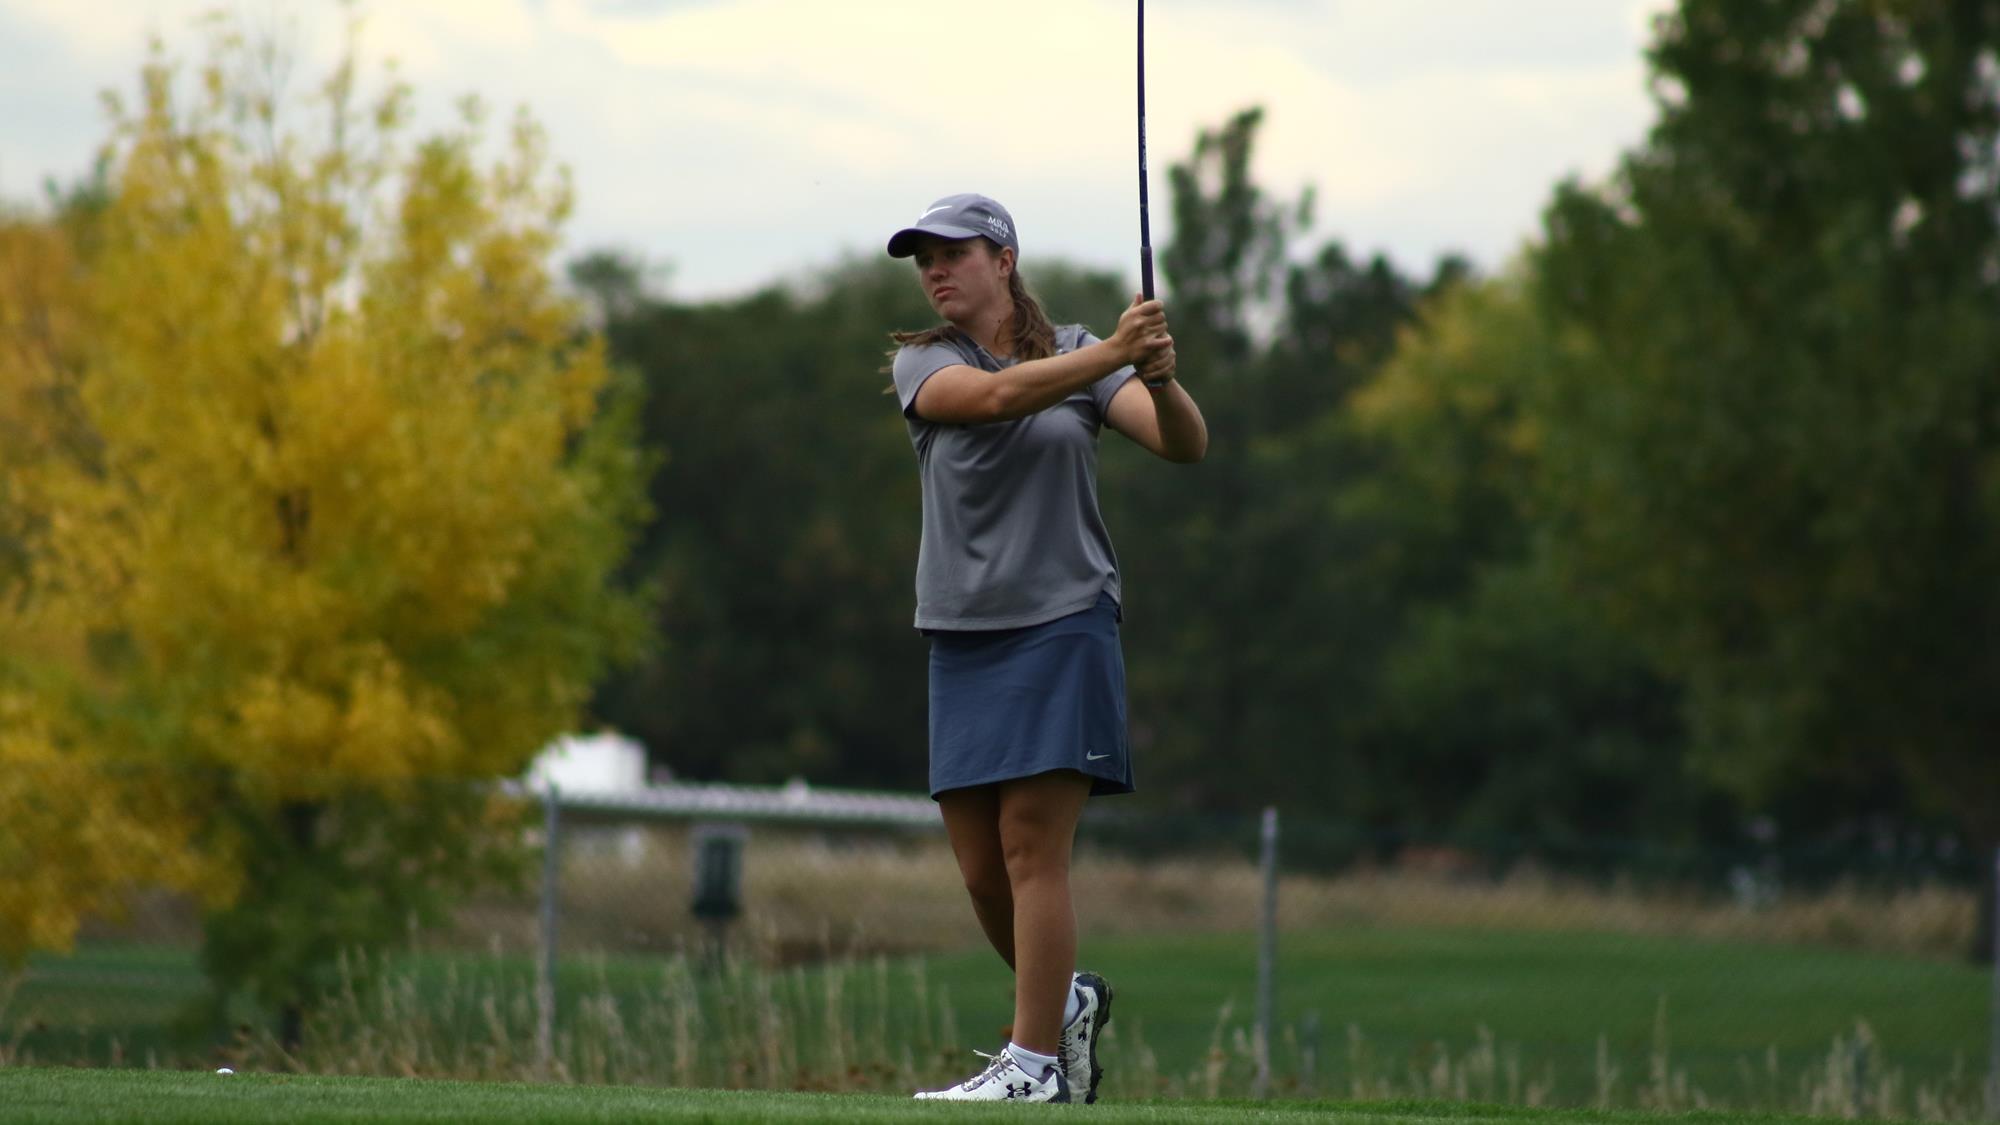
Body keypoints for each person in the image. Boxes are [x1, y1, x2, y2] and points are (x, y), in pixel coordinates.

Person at [883, 193, 1207, 1104]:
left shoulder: (1078, 355)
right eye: (925, 259)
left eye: (954, 253)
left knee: (1032, 849)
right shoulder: (925, 361)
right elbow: (988, 399)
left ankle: (1032, 1067)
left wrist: (1160, 374)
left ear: (1004, 259)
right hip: (961, 635)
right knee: (984, 871)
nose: (936, 270)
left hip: (1065, 621)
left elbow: (1183, 444)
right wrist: (1109, 352)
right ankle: (1067, 1004)